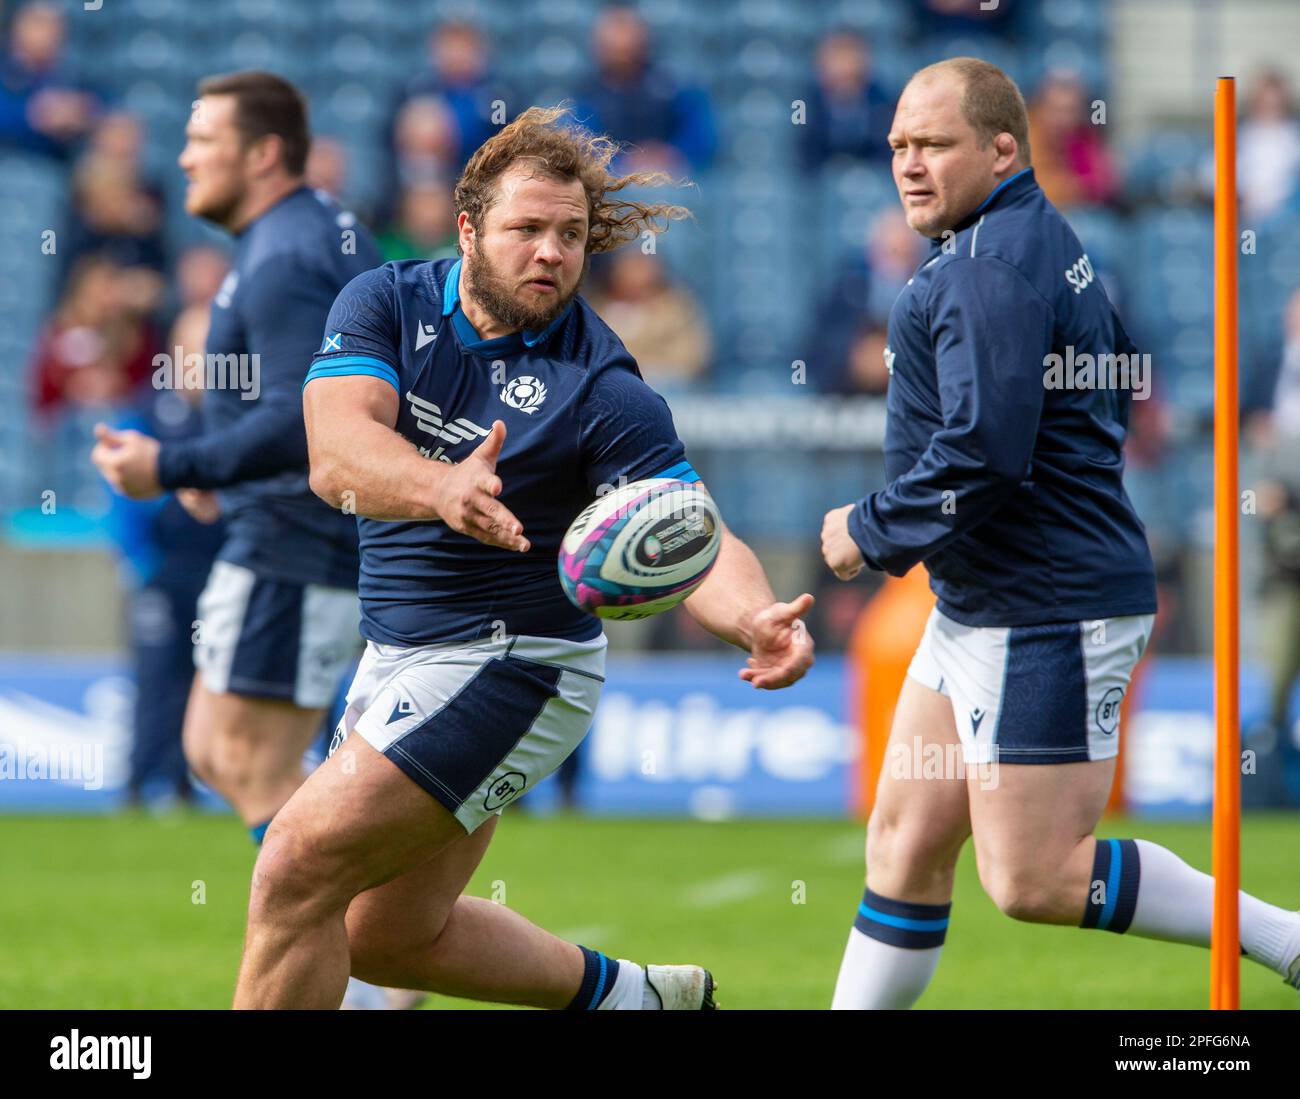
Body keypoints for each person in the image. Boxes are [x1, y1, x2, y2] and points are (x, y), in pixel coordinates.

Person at [235, 105, 815, 1010]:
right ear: (468, 229)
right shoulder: (385, 301)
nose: (552, 252)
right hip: (397, 652)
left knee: (292, 866)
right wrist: (439, 488)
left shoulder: (602, 386)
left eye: (573, 235)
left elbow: (691, 531)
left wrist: (753, 616)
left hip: (517, 664)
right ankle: (640, 1000)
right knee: (382, 936)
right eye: (528, 229)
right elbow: (333, 453)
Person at [819, 57, 1300, 1008]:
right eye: (898, 148)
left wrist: (867, 532)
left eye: (934, 146)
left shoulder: (990, 265)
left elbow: (984, 456)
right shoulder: (1022, 238)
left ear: (1003, 147)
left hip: (1045, 611)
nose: (910, 166)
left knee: (1034, 878)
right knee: (905, 841)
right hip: (984, 601)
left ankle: (1287, 938)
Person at [88, 71, 401, 1008]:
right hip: (290, 534)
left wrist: (178, 466)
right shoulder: (300, 237)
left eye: (202, 138)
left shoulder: (285, 254)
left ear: (262, 152)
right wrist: (208, 469)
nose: (182, 155)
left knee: (244, 756)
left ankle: (371, 967)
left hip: (297, 543)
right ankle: (374, 943)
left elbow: (305, 419)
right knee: (221, 748)